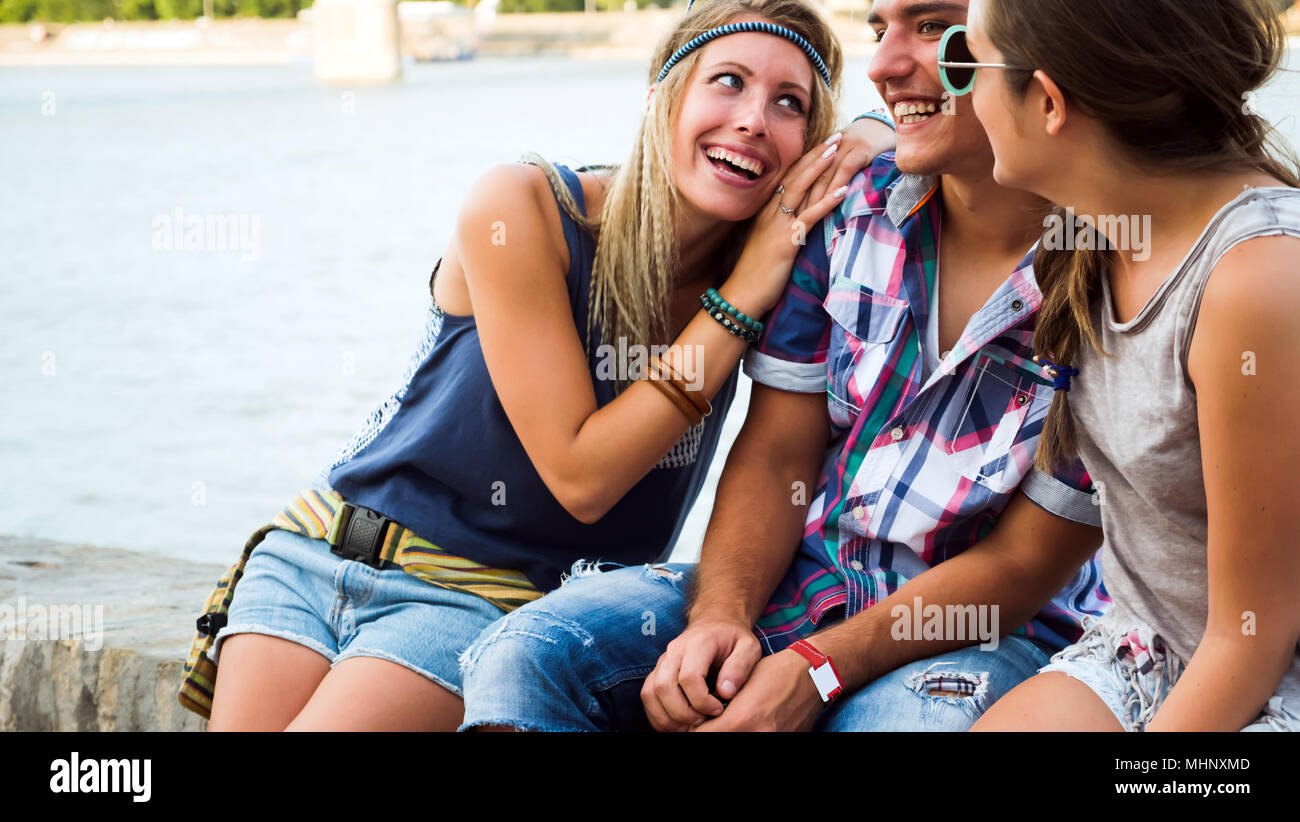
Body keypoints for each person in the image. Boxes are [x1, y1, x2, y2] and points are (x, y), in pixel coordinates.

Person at [185, 0, 902, 731]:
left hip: (482, 597)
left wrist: (869, 134)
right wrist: (741, 295)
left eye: (789, 104)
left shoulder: (792, 271)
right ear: (660, 96)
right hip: (314, 546)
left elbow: (585, 493)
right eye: (727, 81)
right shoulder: (525, 206)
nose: (753, 118)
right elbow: (577, 463)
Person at [457, 0, 1111, 733]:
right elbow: (775, 453)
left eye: (932, 27)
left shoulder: (1114, 277)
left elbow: (1023, 568)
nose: (886, 66)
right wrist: (720, 616)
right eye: (879, 30)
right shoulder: (847, 213)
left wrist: (821, 666)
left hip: (980, 635)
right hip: (798, 589)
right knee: (528, 652)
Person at [961, 0, 1300, 731]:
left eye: (970, 59)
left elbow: (1255, 637)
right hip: (1145, 648)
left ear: (1049, 101)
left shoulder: (1258, 277)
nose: (962, 89)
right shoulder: (1096, 228)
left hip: (1264, 680)